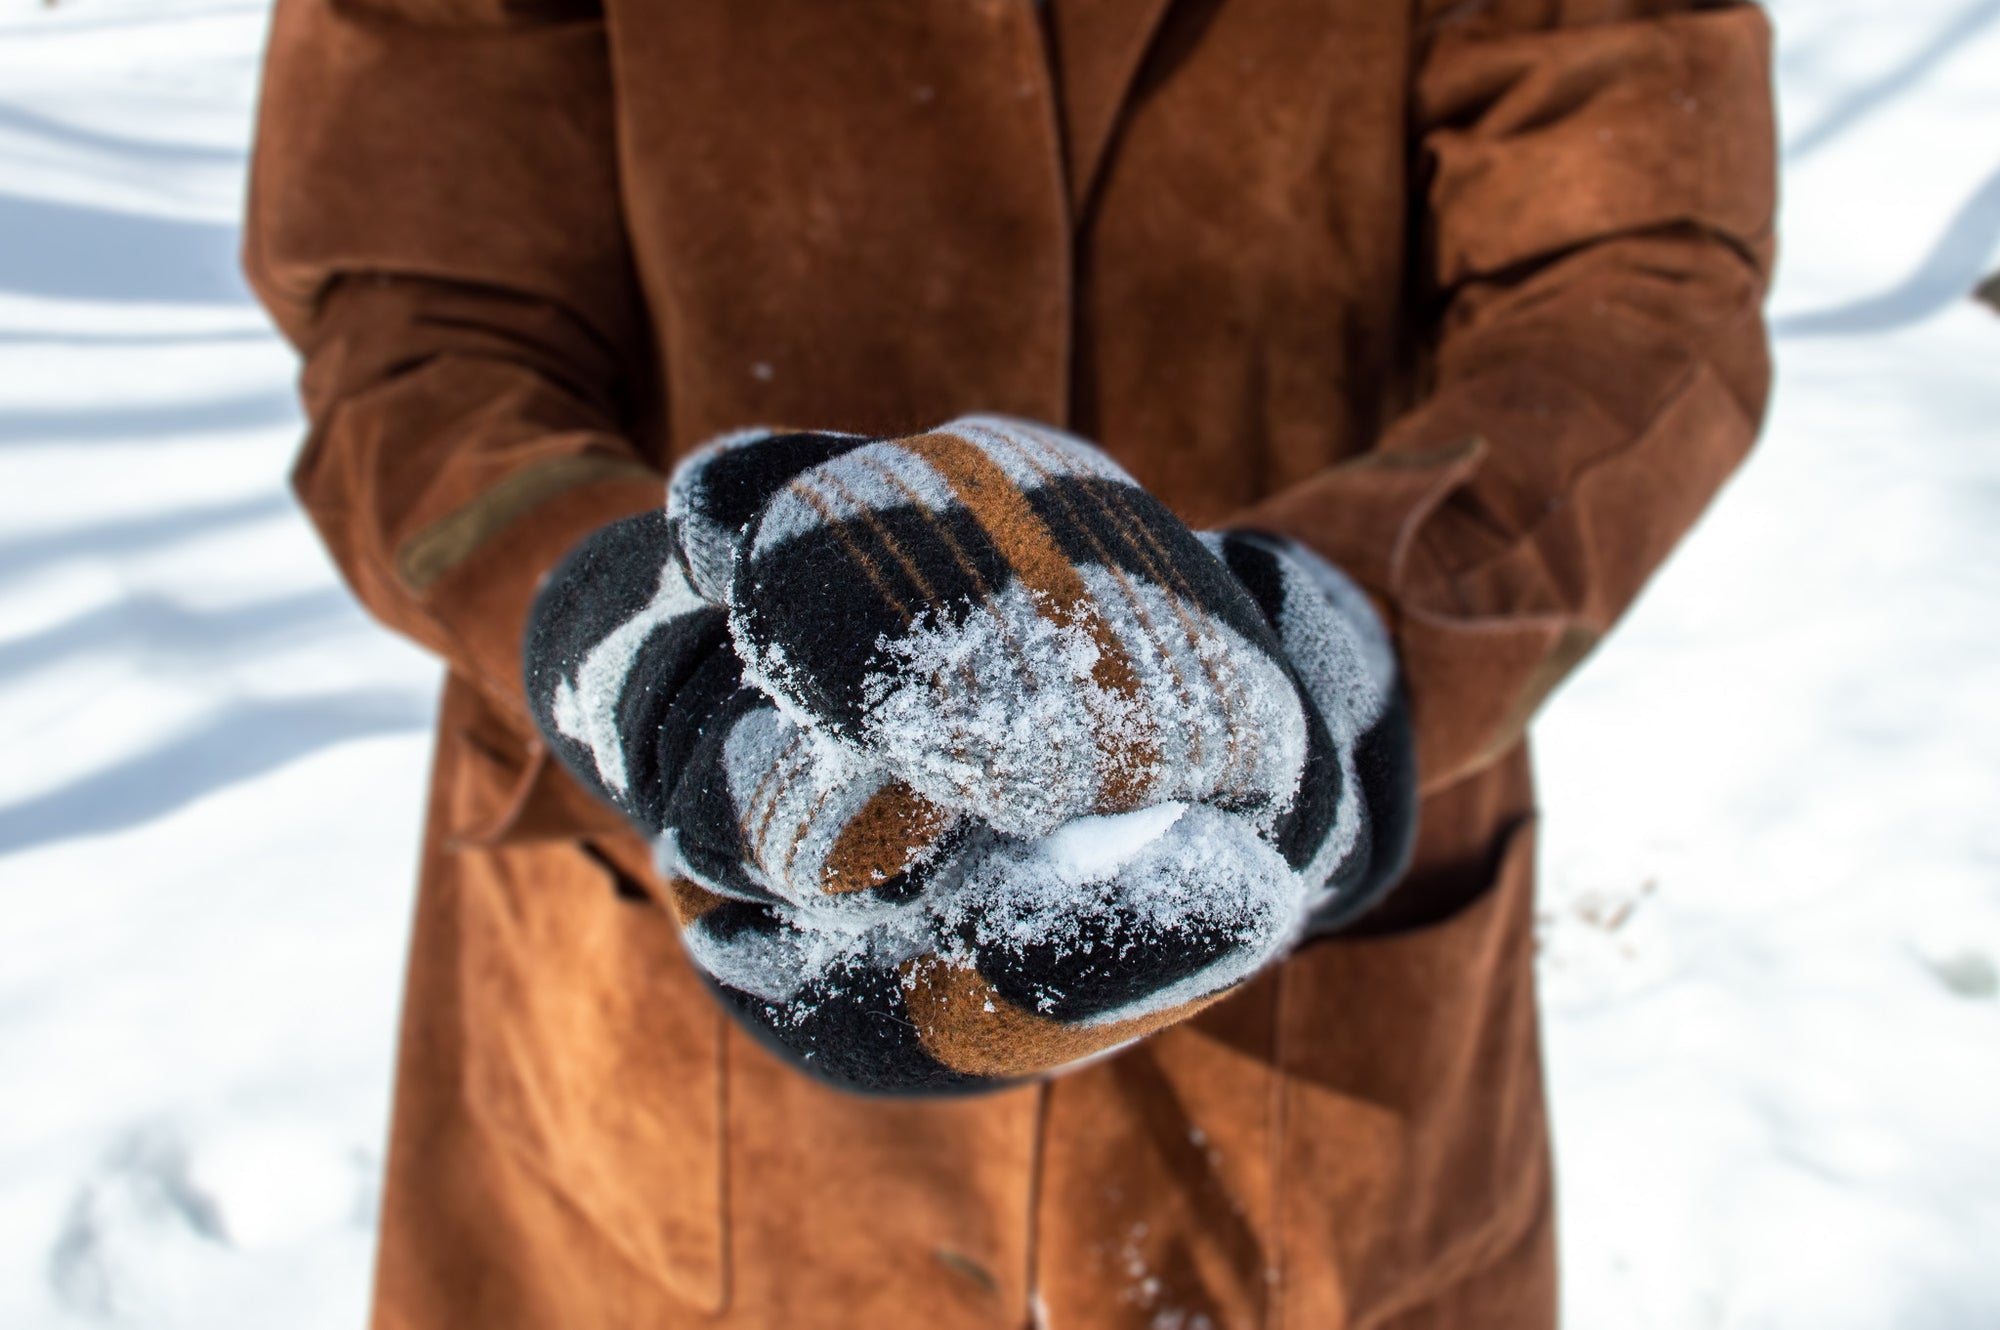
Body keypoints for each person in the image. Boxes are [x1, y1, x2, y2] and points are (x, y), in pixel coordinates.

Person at [241, 0, 1776, 1325]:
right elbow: (414, 308)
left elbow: (1638, 266)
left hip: (1303, 1064)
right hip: (653, 1050)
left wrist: (1343, 633)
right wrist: (627, 629)